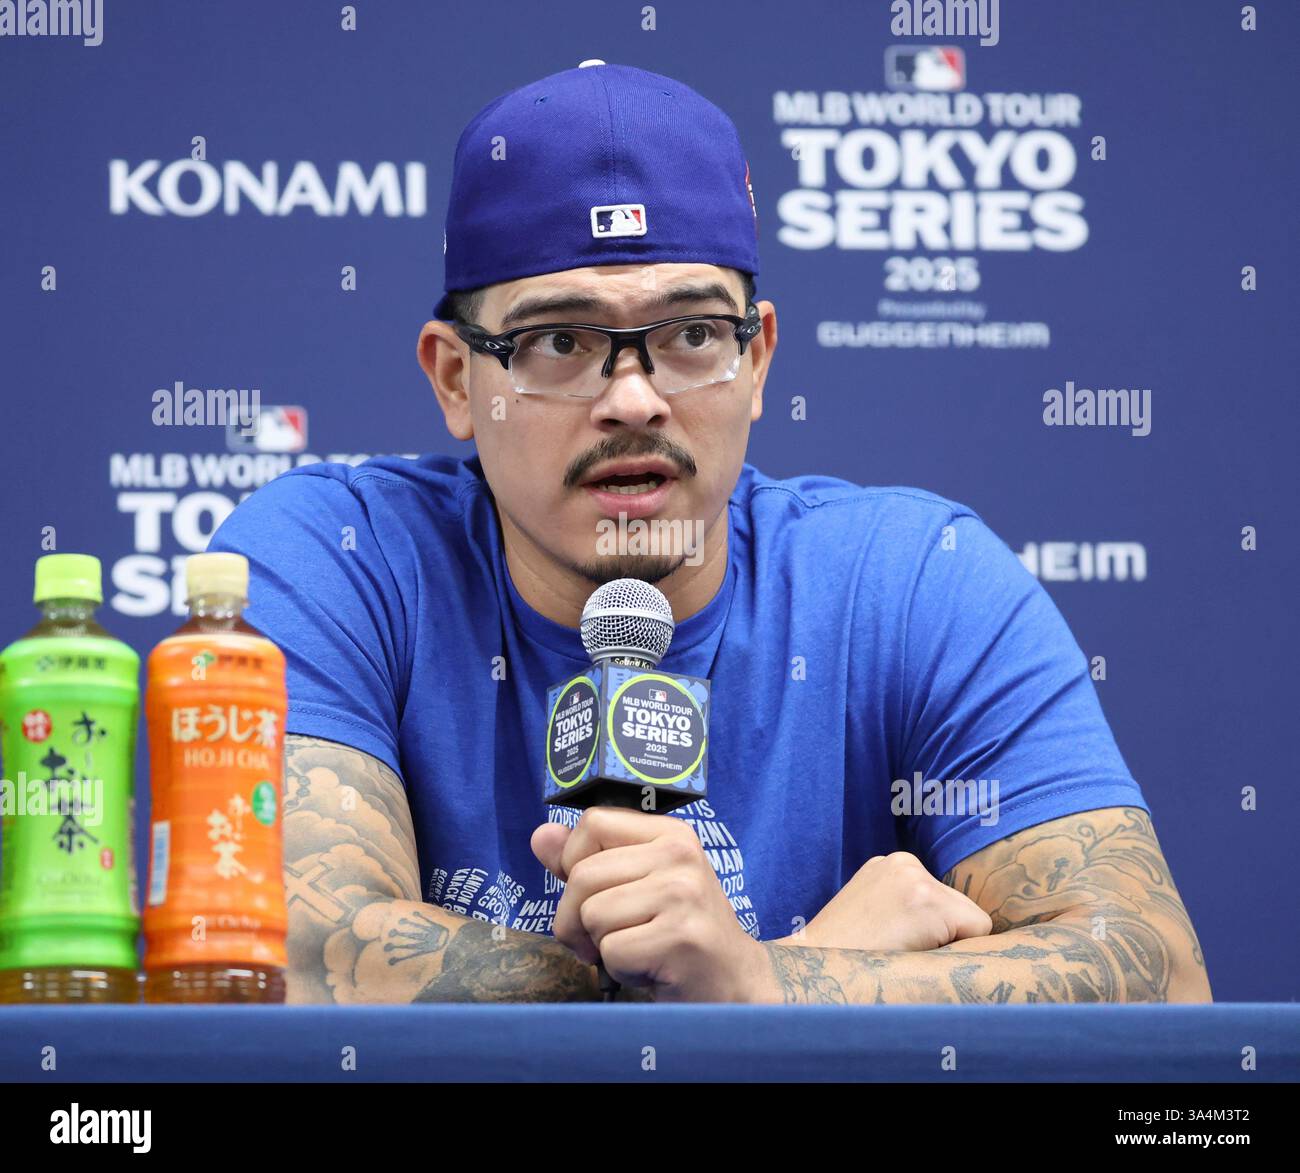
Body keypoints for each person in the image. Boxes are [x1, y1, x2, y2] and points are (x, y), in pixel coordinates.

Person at [207, 62, 1210, 1005]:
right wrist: (757, 989)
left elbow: (1155, 972)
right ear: (455, 378)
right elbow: (282, 948)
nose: (633, 399)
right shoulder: (336, 558)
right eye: (561, 341)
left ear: (758, 358)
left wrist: (759, 978)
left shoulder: (916, 581)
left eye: (691, 335)